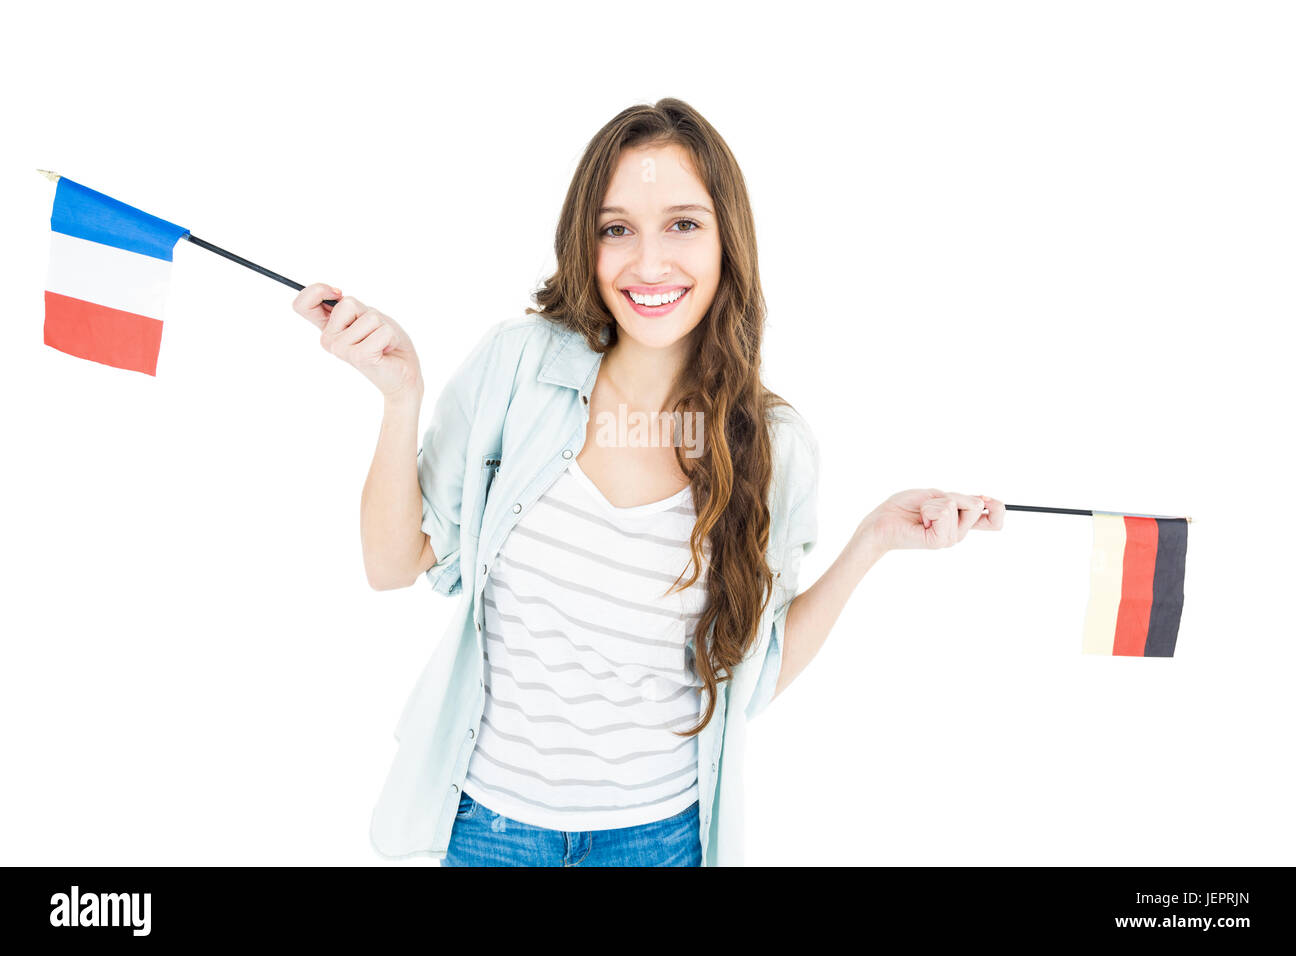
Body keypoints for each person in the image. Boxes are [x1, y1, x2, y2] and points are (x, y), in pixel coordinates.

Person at [292, 98, 1005, 867]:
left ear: (728, 239)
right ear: (586, 244)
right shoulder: (518, 368)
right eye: (617, 228)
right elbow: (392, 565)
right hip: (489, 827)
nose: (650, 262)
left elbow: (748, 681)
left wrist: (873, 542)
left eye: (683, 224)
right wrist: (402, 398)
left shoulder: (775, 448)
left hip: (659, 839)